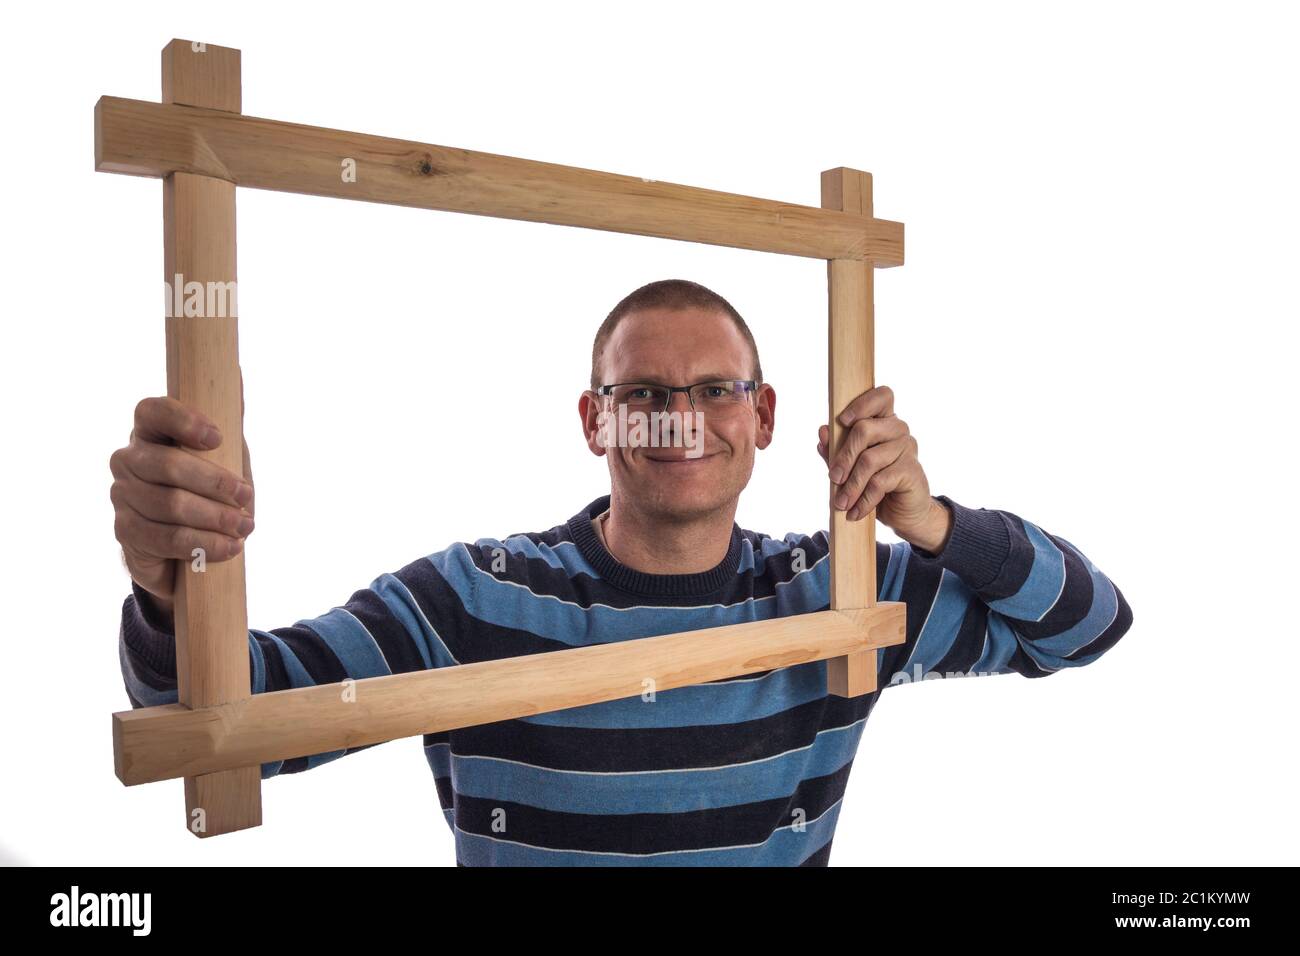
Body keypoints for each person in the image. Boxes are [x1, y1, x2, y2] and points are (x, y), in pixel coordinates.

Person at [110, 278, 1134, 865]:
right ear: (595, 419)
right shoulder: (476, 596)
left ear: (763, 416)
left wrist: (935, 519)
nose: (680, 415)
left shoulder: (841, 590)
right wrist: (171, 582)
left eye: (714, 387)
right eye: (641, 390)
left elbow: (1088, 626)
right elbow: (218, 722)